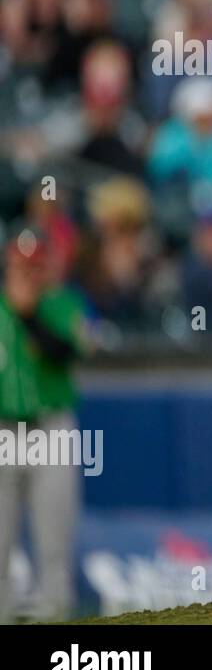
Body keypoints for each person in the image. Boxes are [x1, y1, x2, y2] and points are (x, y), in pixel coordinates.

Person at [0, 226, 88, 620]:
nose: (30, 274)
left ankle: (57, 624)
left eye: (37, 265)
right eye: (23, 265)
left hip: (51, 428)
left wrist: (29, 313)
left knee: (54, 545)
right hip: (3, 430)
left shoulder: (62, 303)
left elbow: (65, 351)